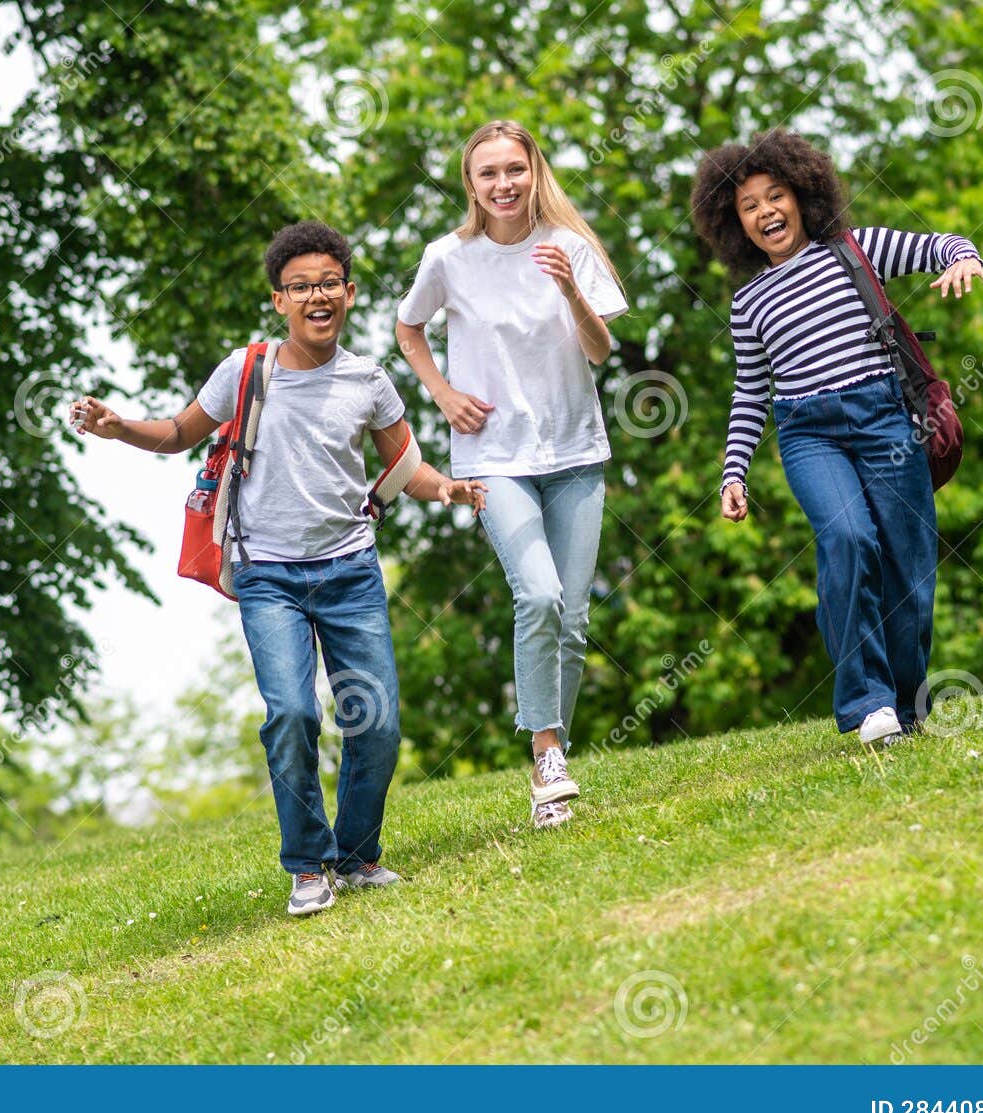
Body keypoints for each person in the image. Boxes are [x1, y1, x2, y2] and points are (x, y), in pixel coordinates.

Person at [71, 221, 486, 916]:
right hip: (268, 576)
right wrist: (120, 427)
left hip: (351, 570)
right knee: (292, 712)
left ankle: (356, 856)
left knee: (376, 721)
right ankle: (306, 865)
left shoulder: (370, 380)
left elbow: (404, 465)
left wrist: (447, 487)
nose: (316, 295)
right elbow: (177, 435)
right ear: (278, 300)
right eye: (300, 287)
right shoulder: (246, 369)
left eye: (328, 283)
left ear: (349, 295)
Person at [689, 129, 983, 745]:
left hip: (886, 423)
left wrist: (964, 258)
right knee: (848, 538)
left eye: (776, 196)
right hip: (808, 434)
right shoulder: (747, 303)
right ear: (734, 223)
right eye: (749, 205)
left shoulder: (856, 248)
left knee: (910, 571)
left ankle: (906, 710)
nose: (766, 211)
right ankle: (866, 703)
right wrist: (733, 472)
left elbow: (941, 243)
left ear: (802, 195)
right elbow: (751, 391)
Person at [395, 121, 627, 830]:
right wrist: (441, 392)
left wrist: (571, 292)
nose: (503, 185)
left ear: (535, 172)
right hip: (493, 457)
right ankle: (547, 751)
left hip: (575, 451)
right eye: (488, 173)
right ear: (471, 184)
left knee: (576, 616)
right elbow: (409, 328)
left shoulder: (573, 248)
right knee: (540, 594)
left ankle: (551, 772)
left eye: (514, 170)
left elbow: (600, 351)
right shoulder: (448, 258)